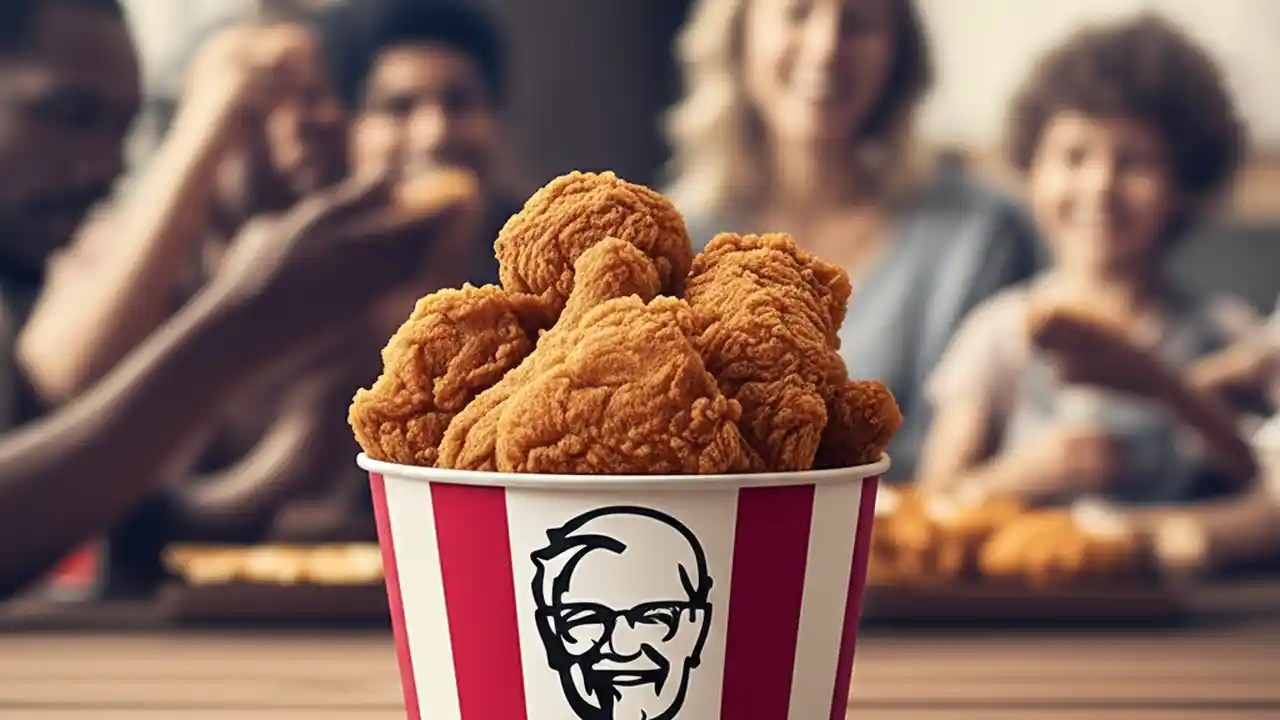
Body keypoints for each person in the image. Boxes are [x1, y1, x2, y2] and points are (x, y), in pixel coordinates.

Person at [0, 0, 473, 599]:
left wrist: (288, 461)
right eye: (72, 113)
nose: (109, 164)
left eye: (331, 96)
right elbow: (52, 401)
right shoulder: (116, 262)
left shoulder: (354, 279)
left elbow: (137, 522)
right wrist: (241, 317)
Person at [664, 0, 1041, 481]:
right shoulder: (675, 243)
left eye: (859, 22)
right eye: (798, 13)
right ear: (740, 37)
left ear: (900, 55)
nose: (826, 48)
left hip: (921, 544)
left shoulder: (982, 234)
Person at [917, 16, 1273, 508]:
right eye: (1074, 156)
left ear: (1184, 183)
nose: (1100, 186)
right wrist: (1019, 476)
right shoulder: (999, 333)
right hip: (1024, 583)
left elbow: (1263, 486)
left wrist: (1166, 387)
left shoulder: (1227, 335)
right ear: (1033, 169)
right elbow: (932, 502)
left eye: (1134, 161)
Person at [331, 0, 516, 286]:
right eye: (398, 106)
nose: (435, 135)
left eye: (459, 102)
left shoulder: (553, 276)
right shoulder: (311, 291)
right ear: (351, 129)